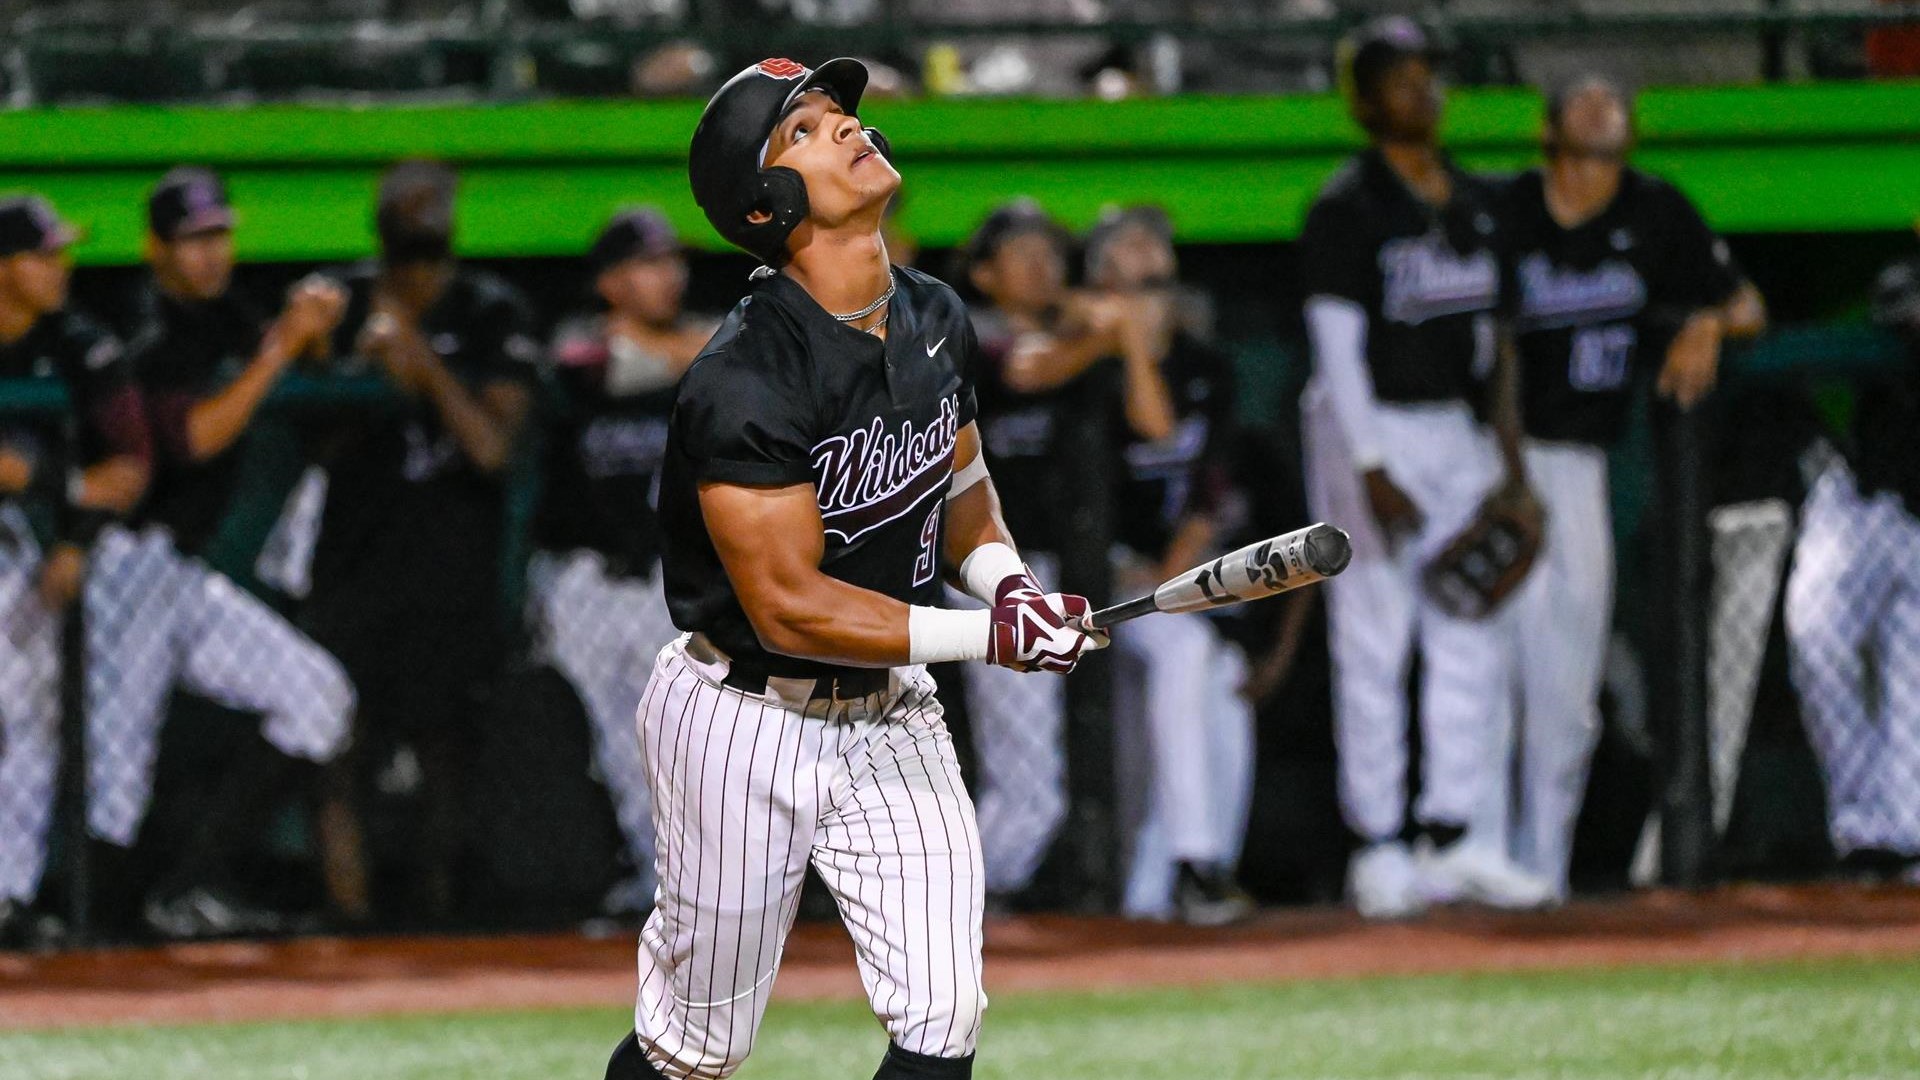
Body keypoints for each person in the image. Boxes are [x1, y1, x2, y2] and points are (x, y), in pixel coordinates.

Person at [603, 57, 1105, 1080]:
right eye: (802, 130)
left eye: (840, 115)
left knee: (943, 1018)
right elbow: (789, 609)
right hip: (743, 719)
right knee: (697, 1045)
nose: (844, 128)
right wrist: (991, 636)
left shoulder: (934, 314)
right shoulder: (744, 377)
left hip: (890, 711)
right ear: (765, 205)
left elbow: (962, 490)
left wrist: (1009, 587)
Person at [1296, 18, 1550, 919]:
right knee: (1374, 634)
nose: (1424, 92)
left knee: (1467, 620)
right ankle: (1378, 844)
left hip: (1453, 426)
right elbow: (1336, 346)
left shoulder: (1477, 200)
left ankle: (1454, 834)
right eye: (1403, 79)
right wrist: (1368, 463)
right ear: (1365, 100)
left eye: (1429, 76)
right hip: (1367, 423)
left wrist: (1510, 465)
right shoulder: (1347, 205)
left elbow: (1499, 343)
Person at [1490, 77, 1755, 901]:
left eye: (1613, 152)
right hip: (1485, 463)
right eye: (1584, 151)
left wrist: (1706, 321)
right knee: (1482, 677)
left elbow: (1747, 304)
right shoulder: (1502, 212)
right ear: (1548, 142)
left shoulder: (1654, 210)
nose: (1598, 170)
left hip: (1580, 466)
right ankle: (1469, 859)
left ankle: (1541, 869)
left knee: (1569, 690)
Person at [85, 168, 361, 939]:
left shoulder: (227, 313)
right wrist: (281, 345)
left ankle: (188, 885)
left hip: (184, 573)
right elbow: (194, 440)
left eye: (219, 235)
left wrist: (315, 329)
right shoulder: (141, 329)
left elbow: (313, 375)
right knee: (118, 767)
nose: (211, 253)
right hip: (124, 565)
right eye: (192, 239)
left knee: (318, 698)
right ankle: (93, 935)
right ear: (155, 248)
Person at [296, 159, 541, 920]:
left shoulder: (490, 309)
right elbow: (309, 442)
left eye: (434, 203)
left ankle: (440, 919)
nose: (423, 216)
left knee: (446, 749)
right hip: (354, 560)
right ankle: (349, 921)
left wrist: (423, 363)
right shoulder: (340, 301)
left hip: (450, 564)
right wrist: (347, 371)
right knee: (336, 744)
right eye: (408, 204)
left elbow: (493, 448)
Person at [530, 208, 717, 920]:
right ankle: (654, 877)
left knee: (684, 741)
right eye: (649, 264)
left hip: (664, 582)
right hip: (584, 579)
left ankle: (688, 884)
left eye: (673, 261)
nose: (670, 276)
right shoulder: (576, 342)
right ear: (610, 282)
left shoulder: (710, 335)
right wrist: (686, 357)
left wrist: (679, 354)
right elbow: (586, 365)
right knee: (611, 746)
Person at [1080, 205, 1257, 925]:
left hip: (1158, 583)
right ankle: (1187, 867)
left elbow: (1206, 498)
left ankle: (1184, 871)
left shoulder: (1206, 368)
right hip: (1081, 580)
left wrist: (1167, 584)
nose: (1151, 293)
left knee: (1208, 669)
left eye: (1159, 279)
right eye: (1132, 279)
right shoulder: (1082, 362)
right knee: (1185, 656)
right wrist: (1127, 343)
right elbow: (1144, 433)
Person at [953, 200, 1114, 911]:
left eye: (1049, 250)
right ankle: (949, 898)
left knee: (1027, 777)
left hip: (1043, 566)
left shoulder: (1066, 330)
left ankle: (957, 898)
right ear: (986, 273)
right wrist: (1107, 332)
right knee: (1027, 783)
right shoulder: (968, 333)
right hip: (987, 571)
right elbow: (1026, 371)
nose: (1042, 264)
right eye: (1022, 254)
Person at [0, 196, 151, 948]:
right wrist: (57, 485)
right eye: (44, 254)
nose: (62, 266)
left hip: (19, 544)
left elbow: (129, 464)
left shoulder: (78, 339)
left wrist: (75, 540)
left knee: (34, 710)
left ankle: (9, 894)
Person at [1784, 232, 1920, 883]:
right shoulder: (1902, 277)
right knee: (1816, 635)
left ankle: (1894, 836)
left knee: (1912, 675)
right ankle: (1864, 816)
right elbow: (1902, 309)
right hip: (1864, 496)